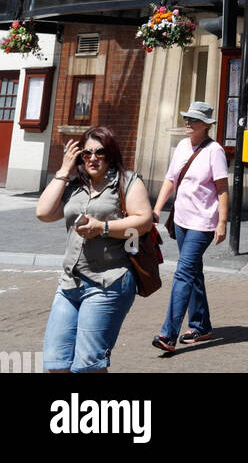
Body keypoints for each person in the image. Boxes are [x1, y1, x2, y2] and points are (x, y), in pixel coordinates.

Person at [36, 125, 153, 373]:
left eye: (99, 152)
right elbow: (44, 213)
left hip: (108, 283)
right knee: (56, 365)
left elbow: (144, 221)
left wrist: (103, 227)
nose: (92, 158)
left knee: (88, 368)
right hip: (70, 285)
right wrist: (64, 171)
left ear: (110, 154)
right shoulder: (75, 185)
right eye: (86, 153)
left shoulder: (127, 181)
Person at [151, 100, 229, 353]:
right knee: (193, 272)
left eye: (193, 119)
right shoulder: (182, 145)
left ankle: (168, 334)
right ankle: (201, 326)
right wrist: (156, 208)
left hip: (203, 223)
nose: (187, 122)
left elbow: (222, 189)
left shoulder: (214, 151)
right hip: (182, 220)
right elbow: (170, 179)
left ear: (205, 125)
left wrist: (222, 223)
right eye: (186, 117)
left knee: (183, 273)